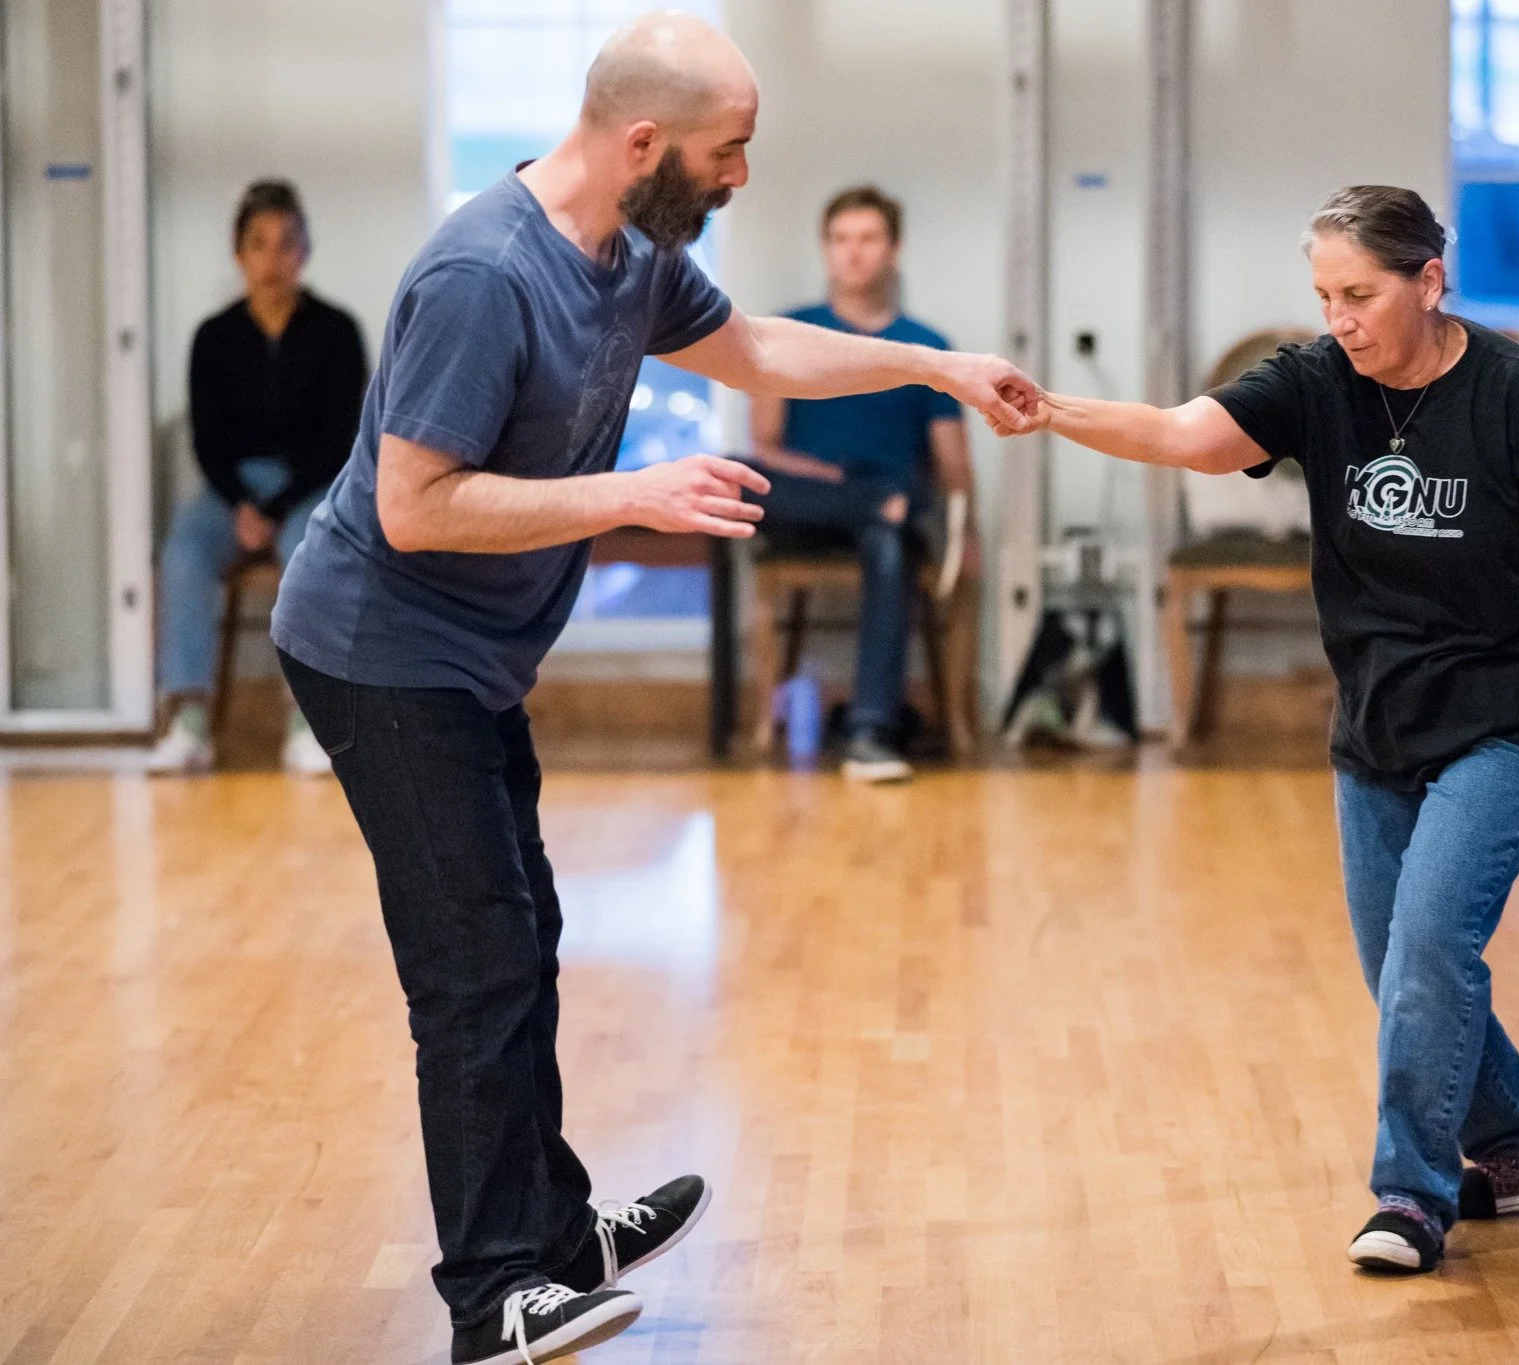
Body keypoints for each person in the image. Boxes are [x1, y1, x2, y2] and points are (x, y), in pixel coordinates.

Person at [268, 16, 1034, 1364]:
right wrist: (632, 493)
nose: (740, 174)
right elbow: (413, 505)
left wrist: (935, 367)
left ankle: (560, 1236)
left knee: (525, 929)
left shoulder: (631, 253)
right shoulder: (481, 276)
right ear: (642, 143)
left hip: (471, 656)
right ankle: (495, 1295)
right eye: (727, 150)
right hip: (379, 647)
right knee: (475, 963)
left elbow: (761, 354)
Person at [1002, 186, 1519, 1274]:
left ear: (1428, 280)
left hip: (1512, 719)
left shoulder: (1516, 396)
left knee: (1427, 945)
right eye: (1324, 296)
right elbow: (1190, 436)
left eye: (1359, 294)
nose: (1340, 320)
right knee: (1400, 961)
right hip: (1379, 722)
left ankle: (1410, 1199)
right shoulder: (1317, 380)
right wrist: (1048, 410)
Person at [747, 186, 974, 783]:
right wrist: (837, 483)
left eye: (868, 239)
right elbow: (764, 446)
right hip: (808, 500)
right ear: (825, 249)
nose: (854, 254)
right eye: (841, 240)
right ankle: (877, 504)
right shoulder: (785, 333)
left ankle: (871, 730)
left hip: (895, 500)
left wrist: (963, 533)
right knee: (737, 477)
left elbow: (952, 464)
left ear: (893, 250)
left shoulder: (928, 347)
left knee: (889, 538)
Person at [148, 180, 367, 777]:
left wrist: (275, 508)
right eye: (259, 245)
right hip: (232, 488)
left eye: (287, 244)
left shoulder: (336, 333)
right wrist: (243, 502)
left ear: (306, 251)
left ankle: (308, 720)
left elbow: (341, 439)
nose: (274, 260)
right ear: (239, 254)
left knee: (310, 550)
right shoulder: (213, 338)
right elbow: (207, 440)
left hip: (311, 484)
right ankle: (189, 721)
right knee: (183, 554)